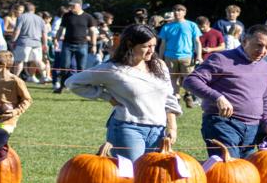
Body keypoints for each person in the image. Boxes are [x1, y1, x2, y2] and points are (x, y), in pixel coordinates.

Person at [64, 23, 181, 159]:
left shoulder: (160, 65)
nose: (151, 50)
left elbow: (169, 97)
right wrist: (105, 96)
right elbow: (73, 82)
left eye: (153, 45)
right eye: (146, 46)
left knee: (150, 177)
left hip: (158, 131)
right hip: (128, 128)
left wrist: (172, 127)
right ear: (130, 44)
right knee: (130, 176)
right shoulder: (112, 69)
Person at [181, 25, 267, 159]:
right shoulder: (221, 59)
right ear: (244, 41)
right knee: (227, 171)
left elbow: (266, 98)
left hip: (252, 130)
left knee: (244, 173)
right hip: (224, 123)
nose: (263, 51)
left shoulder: (265, 67)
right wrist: (218, 97)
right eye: (258, 45)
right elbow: (191, 81)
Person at [157, 3, 202, 106]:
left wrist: (199, 56)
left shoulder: (192, 25)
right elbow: (163, 44)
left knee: (188, 78)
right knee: (173, 78)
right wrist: (160, 57)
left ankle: (188, 95)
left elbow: (197, 42)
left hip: (187, 57)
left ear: (184, 12)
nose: (177, 12)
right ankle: (176, 97)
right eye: (175, 10)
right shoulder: (167, 27)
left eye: (179, 10)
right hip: (170, 56)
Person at [0, 50, 31, 133]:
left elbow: (27, 99)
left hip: (8, 118)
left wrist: (16, 111)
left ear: (3, 65)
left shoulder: (15, 81)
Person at [52, 0, 93, 94]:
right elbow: (60, 29)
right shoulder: (67, 16)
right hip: (67, 44)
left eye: (73, 5)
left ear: (79, 5)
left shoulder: (88, 17)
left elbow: (92, 31)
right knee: (64, 66)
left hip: (82, 45)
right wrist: (56, 40)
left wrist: (94, 44)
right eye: (70, 5)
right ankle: (62, 86)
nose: (71, 7)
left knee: (81, 68)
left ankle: (82, 87)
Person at [9, 2, 46, 81]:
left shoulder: (21, 17)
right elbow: (44, 33)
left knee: (19, 61)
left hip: (24, 42)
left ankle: (15, 78)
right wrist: (45, 44)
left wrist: (12, 41)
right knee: (38, 61)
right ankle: (45, 77)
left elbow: (17, 31)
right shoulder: (40, 19)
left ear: (24, 9)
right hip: (37, 43)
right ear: (34, 9)